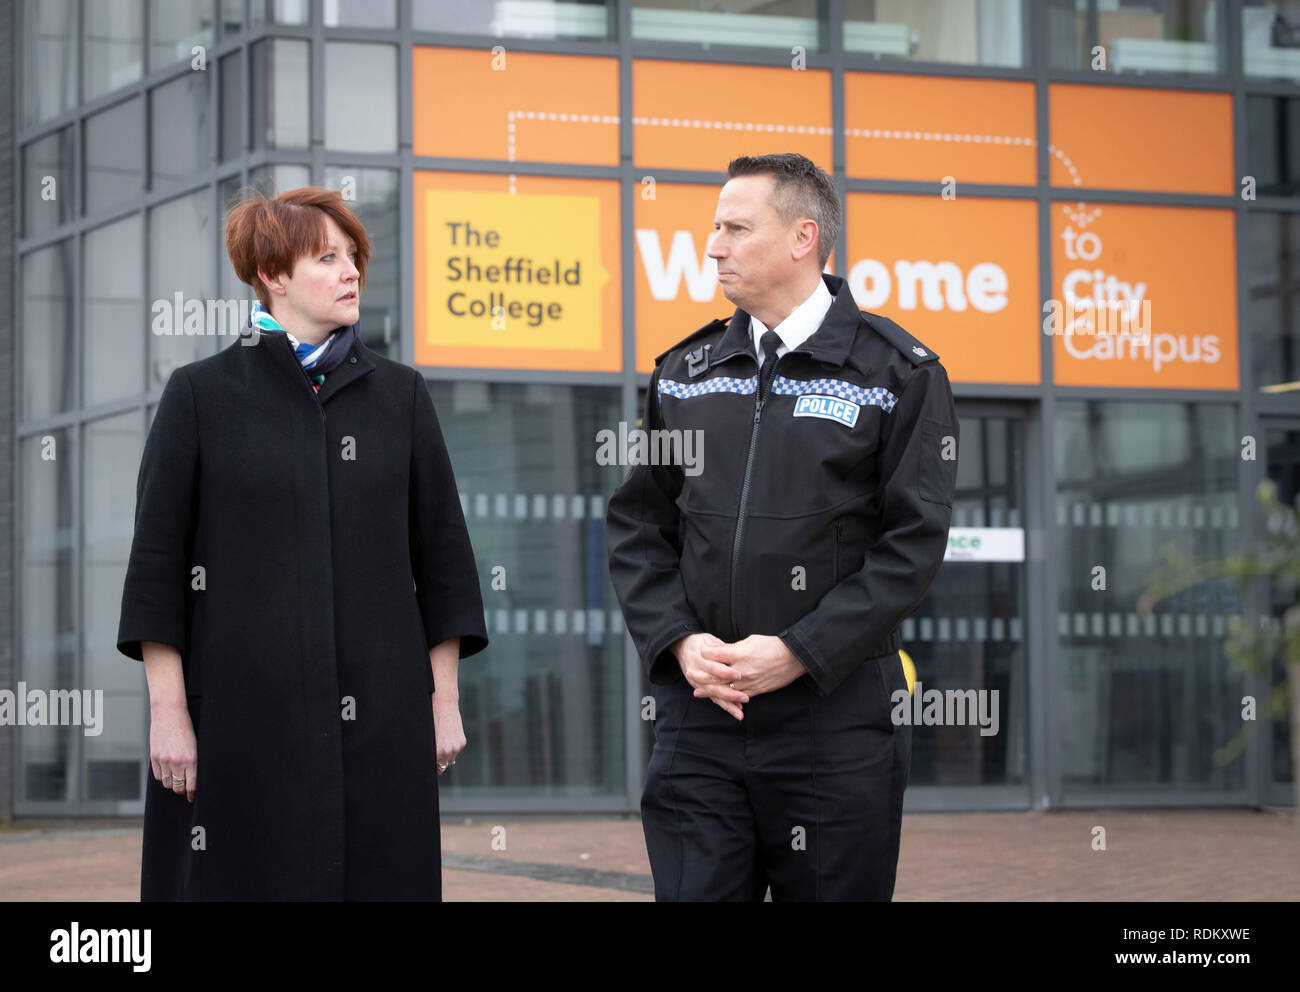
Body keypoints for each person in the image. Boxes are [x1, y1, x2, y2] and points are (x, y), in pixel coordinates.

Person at [116, 186, 488, 900]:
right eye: (327, 257)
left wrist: (442, 702)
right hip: (236, 723)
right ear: (273, 276)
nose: (351, 271)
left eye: (354, 256)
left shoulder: (401, 396)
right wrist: (169, 716)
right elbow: (156, 568)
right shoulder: (199, 395)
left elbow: (443, 560)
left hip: (381, 722)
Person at [606, 153, 958, 901]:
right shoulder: (685, 373)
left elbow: (912, 545)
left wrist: (800, 651)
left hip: (833, 728)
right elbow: (639, 527)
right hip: (701, 719)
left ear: (803, 237)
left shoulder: (897, 374)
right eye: (714, 227)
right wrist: (679, 641)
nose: (713, 245)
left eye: (735, 227)